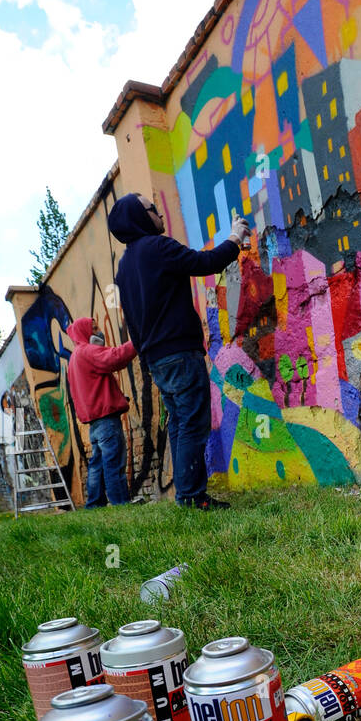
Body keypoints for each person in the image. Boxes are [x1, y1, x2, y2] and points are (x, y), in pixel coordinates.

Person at [107, 193, 249, 510]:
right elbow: (205, 263)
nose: (158, 213)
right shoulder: (158, 247)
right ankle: (192, 496)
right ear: (139, 218)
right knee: (192, 423)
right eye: (152, 209)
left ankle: (187, 494)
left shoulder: (125, 266)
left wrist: (145, 355)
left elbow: (130, 318)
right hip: (180, 353)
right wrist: (234, 238)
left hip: (156, 359)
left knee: (179, 422)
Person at [66, 317, 135, 509]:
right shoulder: (88, 352)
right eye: (94, 328)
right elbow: (115, 357)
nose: (98, 332)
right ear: (84, 331)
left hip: (95, 422)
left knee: (97, 465)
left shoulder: (75, 357)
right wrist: (137, 340)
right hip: (106, 419)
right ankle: (121, 503)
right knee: (114, 463)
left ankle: (94, 504)